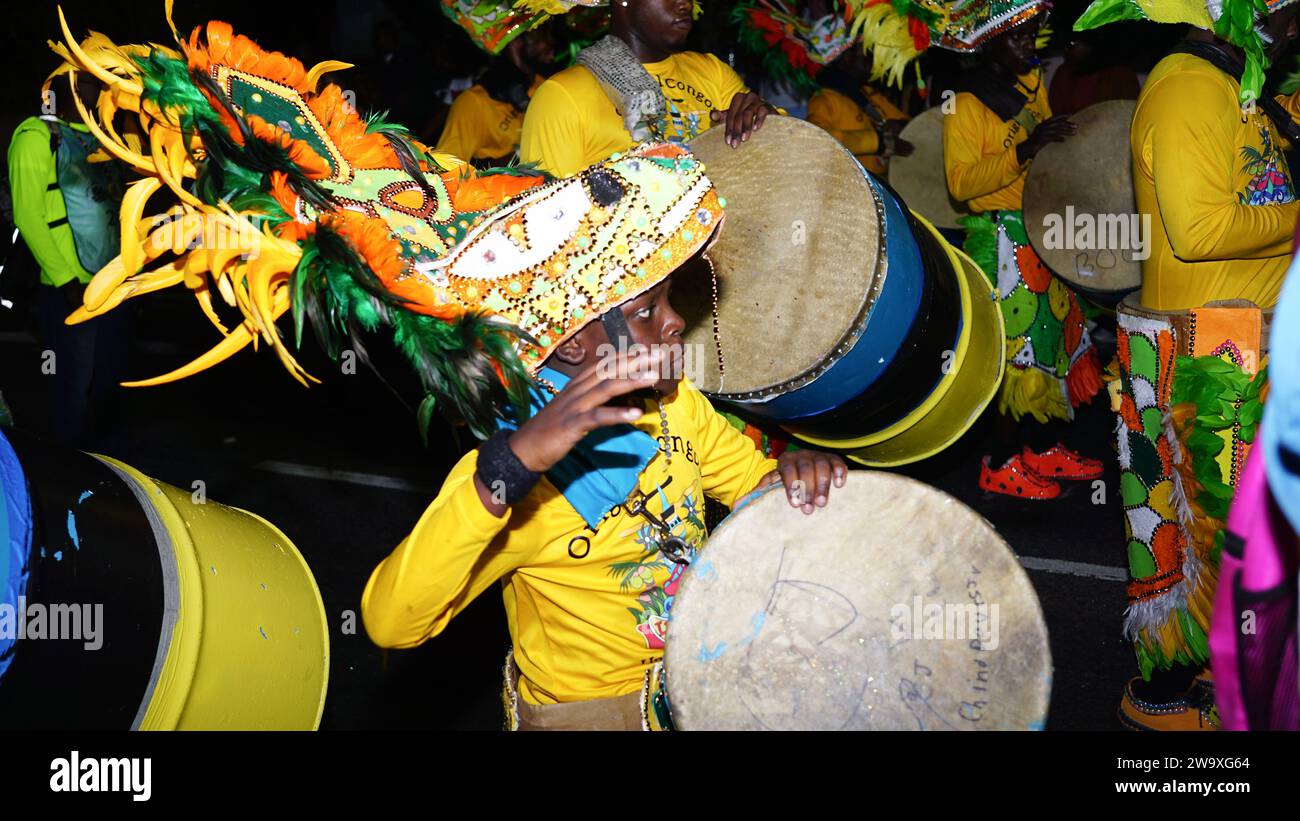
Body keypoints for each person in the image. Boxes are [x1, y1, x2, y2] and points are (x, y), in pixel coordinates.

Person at [53, 10, 848, 730]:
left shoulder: (671, 406)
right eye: (648, 310)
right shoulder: (522, 492)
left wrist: (798, 471)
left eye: (671, 298)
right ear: (572, 343)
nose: (676, 322)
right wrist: (501, 472)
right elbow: (389, 618)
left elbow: (750, 480)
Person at [1075, 0, 1300, 729]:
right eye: (1287, 11)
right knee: (1210, 540)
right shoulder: (1185, 88)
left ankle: (1221, 679)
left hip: (1241, 340)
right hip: (1211, 353)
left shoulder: (1237, 87)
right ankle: (1166, 697)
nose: (1294, 23)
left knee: (1238, 533)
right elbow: (1201, 232)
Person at [938, 3, 1104, 501]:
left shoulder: (1031, 85)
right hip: (1003, 238)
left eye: (1032, 37)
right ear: (988, 45)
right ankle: (1000, 463)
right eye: (1017, 40)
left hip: (1039, 232)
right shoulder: (962, 103)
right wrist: (1024, 150)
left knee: (1053, 341)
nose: (1029, 47)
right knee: (1017, 356)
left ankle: (1042, 448)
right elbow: (961, 183)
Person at [520, 0, 780, 177]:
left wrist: (766, 122)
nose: (685, 3)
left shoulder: (713, 72)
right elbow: (542, 224)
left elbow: (786, 164)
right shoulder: (562, 95)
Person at [7, 69, 127, 448]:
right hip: (69, 290)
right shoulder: (35, 137)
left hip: (113, 285)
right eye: (94, 84)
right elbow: (28, 215)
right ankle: (69, 480)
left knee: (110, 385)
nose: (102, 93)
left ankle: (107, 478)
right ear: (68, 87)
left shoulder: (104, 138)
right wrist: (66, 282)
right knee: (71, 390)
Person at [435, 27, 556, 163]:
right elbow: (447, 171)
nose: (550, 42)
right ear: (515, 42)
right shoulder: (473, 103)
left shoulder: (548, 86)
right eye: (540, 35)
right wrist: (519, 158)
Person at [806, 44, 914, 176]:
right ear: (847, 58)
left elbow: (914, 126)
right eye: (867, 56)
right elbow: (816, 141)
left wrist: (899, 126)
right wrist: (880, 142)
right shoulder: (824, 100)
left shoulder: (868, 93)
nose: (874, 61)